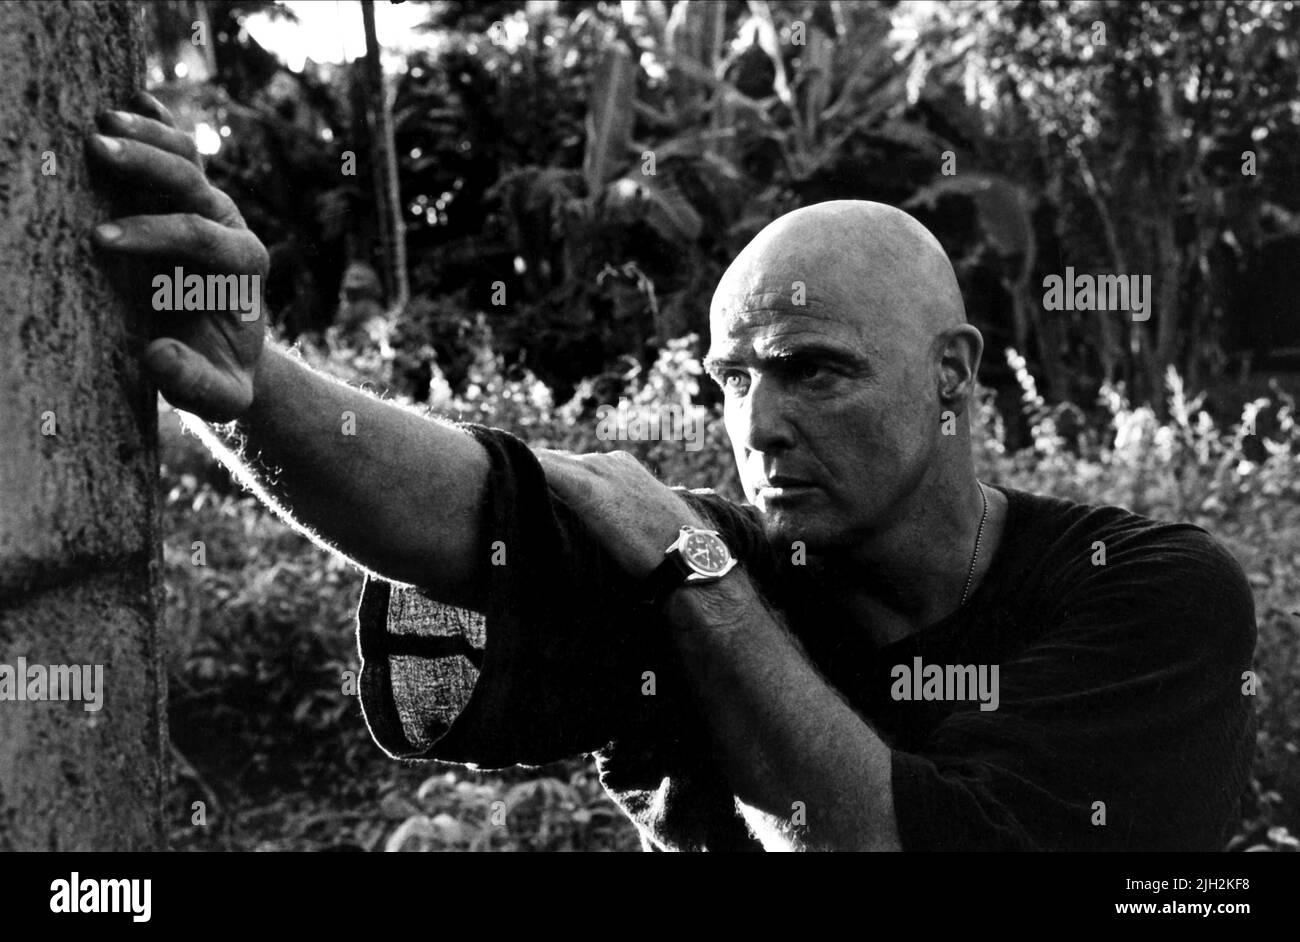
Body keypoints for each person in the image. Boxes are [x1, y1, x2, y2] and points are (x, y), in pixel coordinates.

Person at [89, 92, 1257, 851]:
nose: (759, 422)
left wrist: (689, 579)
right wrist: (252, 379)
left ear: (952, 374)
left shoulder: (1145, 591)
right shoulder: (722, 558)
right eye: (729, 380)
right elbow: (467, 504)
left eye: (812, 371)